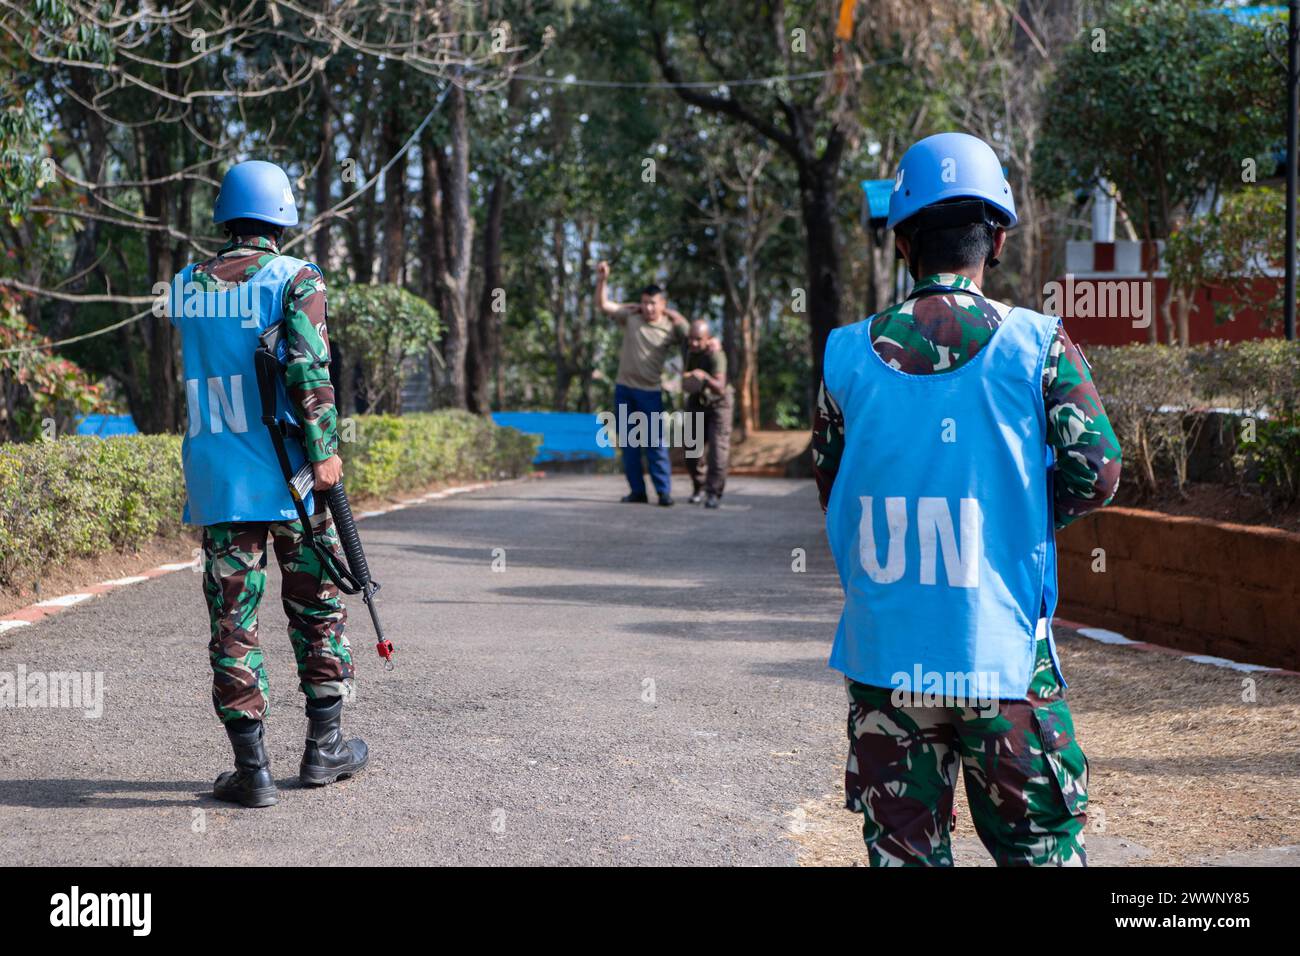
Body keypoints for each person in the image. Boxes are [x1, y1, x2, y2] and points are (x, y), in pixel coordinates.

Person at [812, 132, 1122, 866]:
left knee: (906, 853)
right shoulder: (1038, 345)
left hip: (888, 661)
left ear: (901, 245)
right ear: (999, 240)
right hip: (1004, 656)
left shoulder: (846, 354)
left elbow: (833, 482)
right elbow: (1098, 471)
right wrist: (1022, 515)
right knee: (1039, 850)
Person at [169, 160, 368, 808]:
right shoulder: (295, 278)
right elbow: (309, 369)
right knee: (315, 609)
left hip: (220, 483)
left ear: (225, 216)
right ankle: (324, 748)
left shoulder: (184, 286)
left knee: (234, 623)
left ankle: (252, 772)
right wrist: (328, 454)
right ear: (281, 216)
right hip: (294, 480)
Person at [595, 261, 690, 506]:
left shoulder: (669, 327)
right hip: (624, 389)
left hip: (650, 392)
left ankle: (663, 492)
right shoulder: (631, 317)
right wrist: (603, 279)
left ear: (662, 304)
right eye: (645, 302)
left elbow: (689, 332)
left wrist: (672, 314)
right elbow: (603, 305)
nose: (648, 308)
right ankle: (637, 491)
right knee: (629, 444)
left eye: (653, 303)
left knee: (655, 444)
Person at [683, 319, 732, 508]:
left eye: (698, 339)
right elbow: (676, 319)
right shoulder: (687, 349)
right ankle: (699, 486)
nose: (694, 343)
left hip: (719, 404)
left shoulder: (715, 355)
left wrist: (703, 376)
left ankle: (713, 493)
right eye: (691, 339)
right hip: (697, 400)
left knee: (717, 452)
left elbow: (720, 387)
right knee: (691, 449)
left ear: (708, 338)